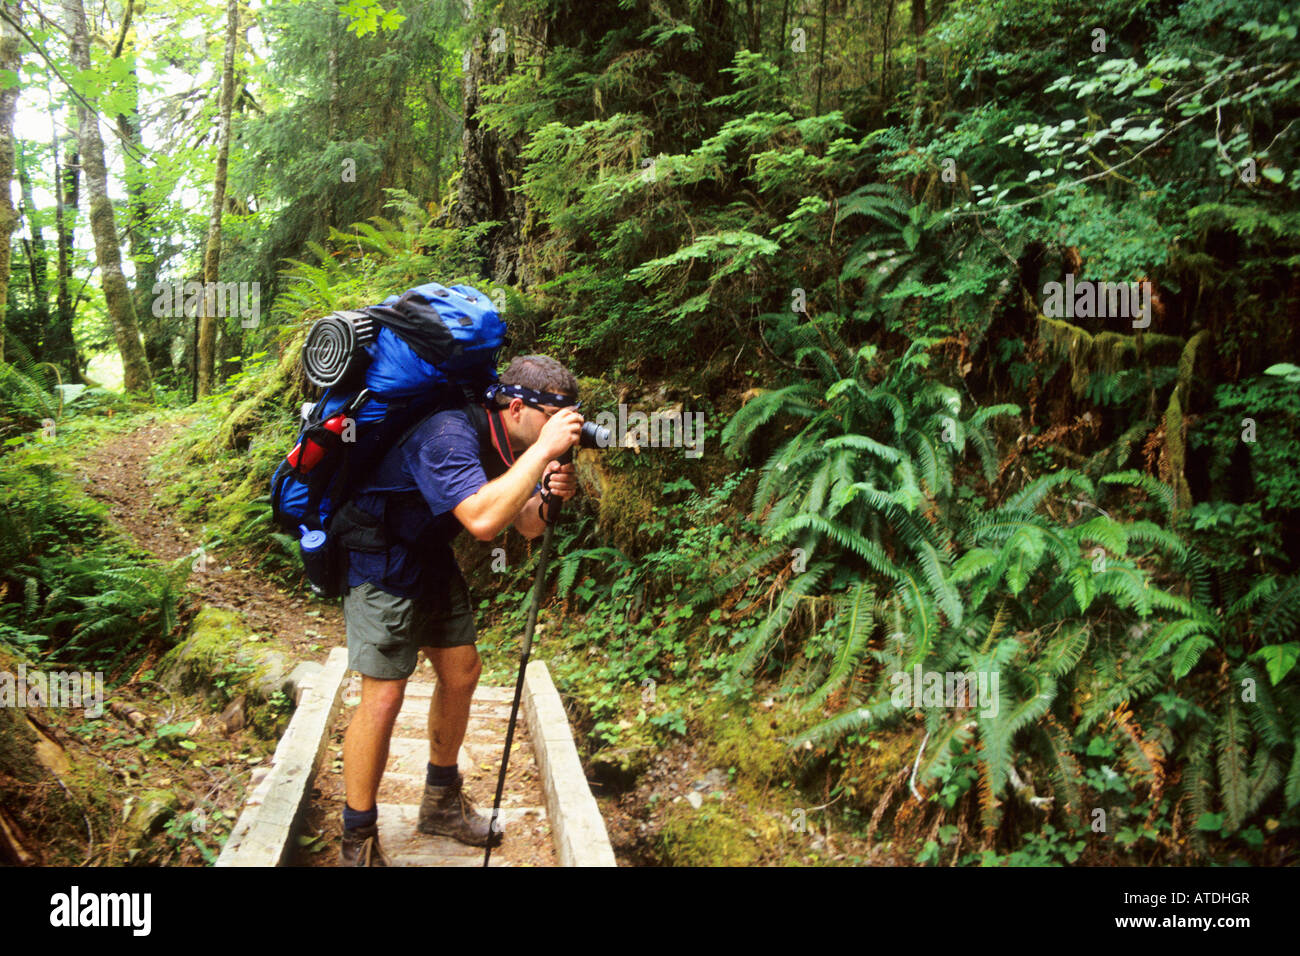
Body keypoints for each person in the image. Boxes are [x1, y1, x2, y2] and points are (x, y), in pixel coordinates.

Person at [337, 355, 583, 866]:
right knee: (383, 697)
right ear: (517, 408)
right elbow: (483, 522)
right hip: (377, 552)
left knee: (462, 670)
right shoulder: (447, 434)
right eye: (553, 417)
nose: (564, 429)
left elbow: (527, 526)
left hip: (427, 551)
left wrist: (550, 491)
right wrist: (541, 456)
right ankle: (356, 837)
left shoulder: (513, 442)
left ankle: (440, 802)